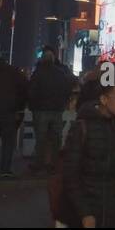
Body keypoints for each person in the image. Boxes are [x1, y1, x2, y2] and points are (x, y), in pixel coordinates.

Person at [61, 81, 115, 228]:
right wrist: (85, 213)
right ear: (104, 99)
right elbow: (70, 175)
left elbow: (112, 165)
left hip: (111, 207)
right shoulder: (81, 127)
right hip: (86, 208)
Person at [28, 47, 76, 175]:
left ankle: (39, 164)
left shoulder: (38, 73)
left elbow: (31, 91)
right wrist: (63, 103)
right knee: (56, 139)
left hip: (41, 110)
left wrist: (32, 106)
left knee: (41, 138)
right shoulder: (60, 73)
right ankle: (53, 164)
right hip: (57, 110)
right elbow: (67, 88)